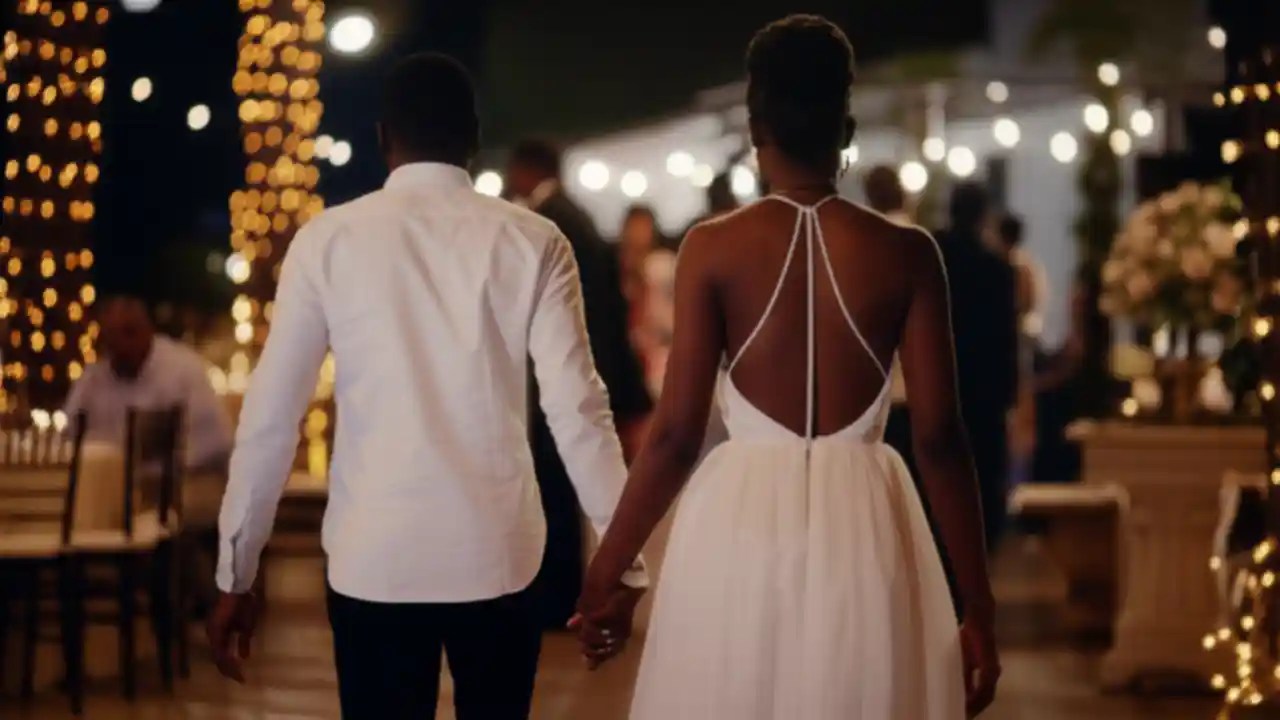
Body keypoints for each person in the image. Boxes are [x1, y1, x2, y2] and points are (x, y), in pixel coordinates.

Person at [578, 15, 998, 719]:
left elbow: (677, 435)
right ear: (848, 129)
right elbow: (940, 440)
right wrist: (978, 606)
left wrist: (608, 566)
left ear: (755, 128)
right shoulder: (908, 253)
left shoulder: (711, 249)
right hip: (867, 522)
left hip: (738, 522)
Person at [209, 54, 647, 719]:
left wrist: (234, 573)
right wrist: (623, 565)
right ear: (473, 138)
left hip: (373, 558)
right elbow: (580, 412)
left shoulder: (326, 242)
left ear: (384, 137)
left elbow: (272, 417)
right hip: (499, 558)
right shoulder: (534, 241)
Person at [506, 139, 654, 628]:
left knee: (554, 483)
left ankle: (557, 595)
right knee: (559, 485)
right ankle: (562, 589)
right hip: (587, 362)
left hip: (566, 365)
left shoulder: (553, 222)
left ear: (529, 171)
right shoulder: (575, 215)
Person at [64, 295, 233, 608]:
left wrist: (156, 471)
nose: (118, 345)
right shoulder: (94, 378)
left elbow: (216, 442)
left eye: (126, 333)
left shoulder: (182, 370)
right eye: (110, 336)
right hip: (116, 487)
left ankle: (199, 602)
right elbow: (70, 435)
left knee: (169, 515)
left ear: (145, 331)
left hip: (189, 478)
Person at [937, 184, 1020, 551]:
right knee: (983, 473)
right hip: (984, 388)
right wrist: (1009, 391)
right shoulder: (996, 269)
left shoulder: (933, 256)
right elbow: (1005, 336)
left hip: (940, 380)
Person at [997, 214, 1047, 487]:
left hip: (1012, 345)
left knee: (1018, 413)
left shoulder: (1015, 267)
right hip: (1017, 344)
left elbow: (1026, 306)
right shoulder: (1026, 266)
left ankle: (1017, 478)